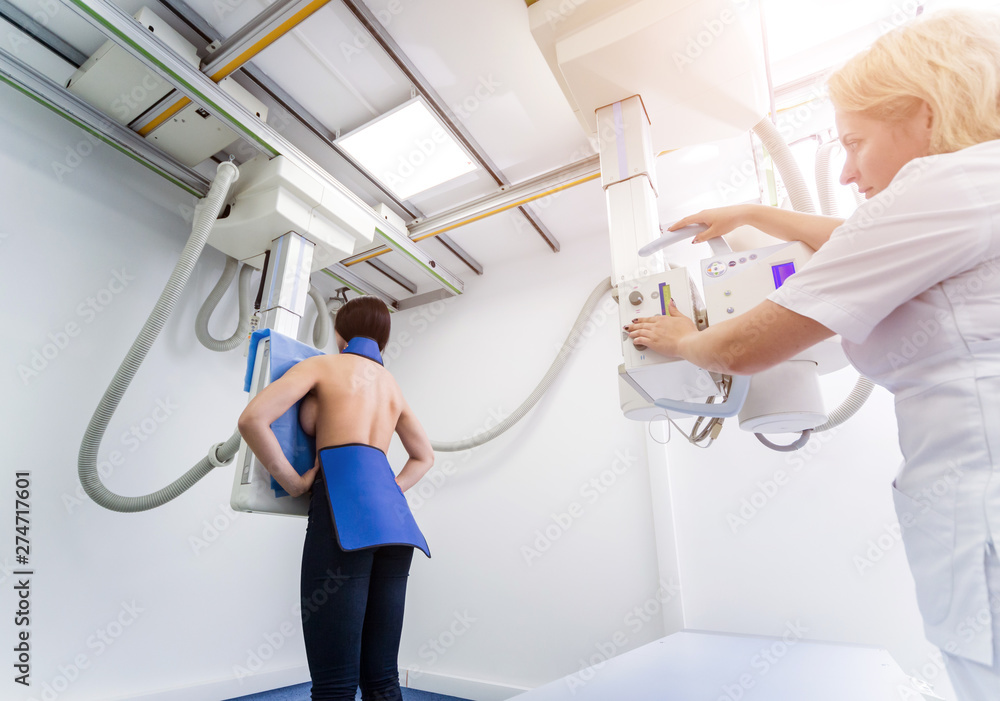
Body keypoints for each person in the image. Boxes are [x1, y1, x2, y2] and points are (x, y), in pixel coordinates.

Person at [626, 8, 1000, 699]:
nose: (851, 172)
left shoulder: (944, 184)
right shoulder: (977, 183)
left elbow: (744, 345)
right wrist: (753, 213)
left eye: (856, 143)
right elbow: (863, 235)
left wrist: (682, 340)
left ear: (922, 115)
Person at [238, 296, 434, 701]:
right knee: (382, 679)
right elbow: (424, 457)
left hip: (344, 516)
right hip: (397, 527)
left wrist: (293, 483)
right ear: (383, 340)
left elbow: (251, 419)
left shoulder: (323, 365)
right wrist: (387, 489)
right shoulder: (391, 385)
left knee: (335, 686)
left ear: (340, 336)